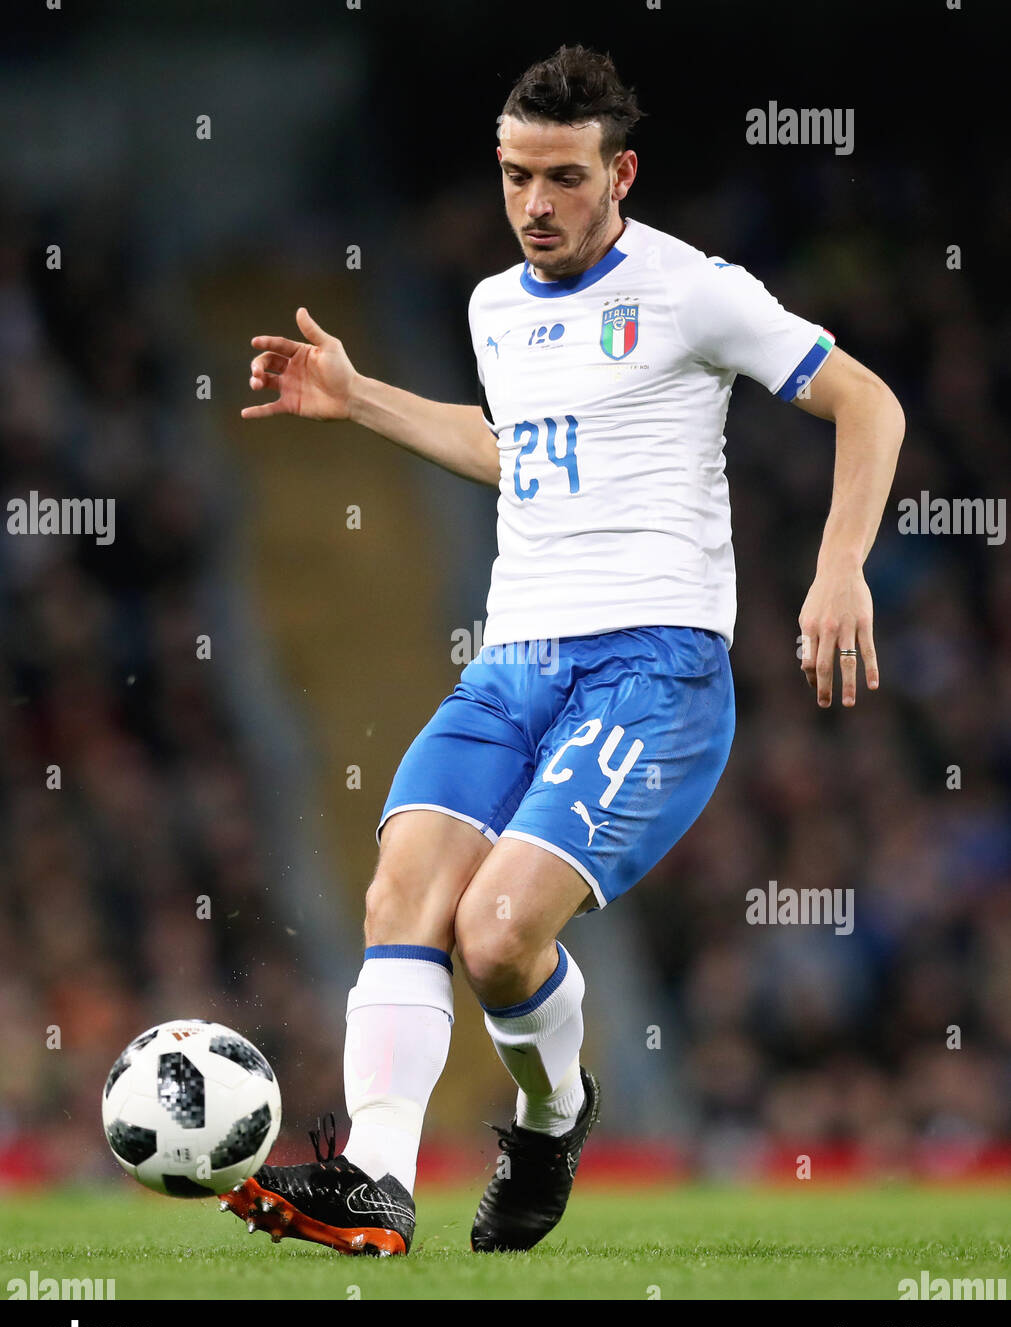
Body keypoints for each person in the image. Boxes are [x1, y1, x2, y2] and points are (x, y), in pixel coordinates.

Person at [221, 44, 904, 1256]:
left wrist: (840, 563)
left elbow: (868, 400)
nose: (534, 203)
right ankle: (377, 1180)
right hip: (512, 664)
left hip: (652, 672)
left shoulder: (694, 291)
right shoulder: (494, 308)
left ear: (619, 175)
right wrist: (363, 398)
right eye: (515, 176)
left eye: (563, 177)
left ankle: (551, 1119)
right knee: (401, 889)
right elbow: (521, 452)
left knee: (495, 935)